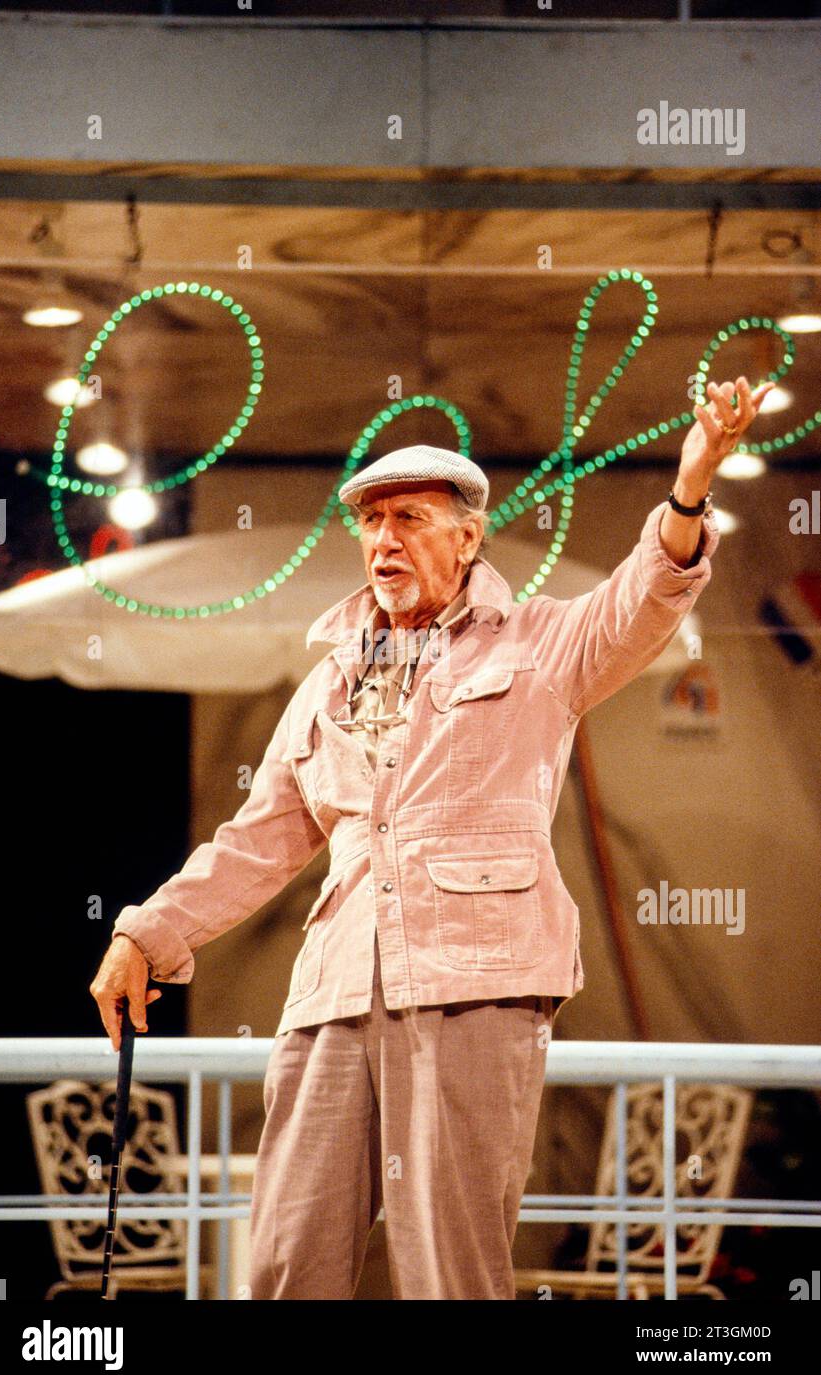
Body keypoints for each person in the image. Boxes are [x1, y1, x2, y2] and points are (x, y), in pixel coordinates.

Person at [90, 375, 773, 1299]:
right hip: (335, 987)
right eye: (370, 523)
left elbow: (640, 600)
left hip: (474, 985)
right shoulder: (328, 682)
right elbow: (261, 837)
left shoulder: (536, 647)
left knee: (450, 1263)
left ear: (467, 535)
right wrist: (147, 931)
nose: (382, 541)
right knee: (288, 1255)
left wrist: (689, 486)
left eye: (408, 518)